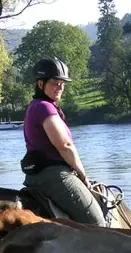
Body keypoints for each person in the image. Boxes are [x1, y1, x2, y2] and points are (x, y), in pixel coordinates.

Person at [21, 58, 105, 225]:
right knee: (98, 224)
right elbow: (64, 145)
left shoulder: (37, 106)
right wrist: (83, 175)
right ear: (40, 84)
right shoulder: (44, 107)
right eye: (55, 82)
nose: (60, 86)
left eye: (63, 83)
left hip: (39, 175)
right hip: (54, 176)